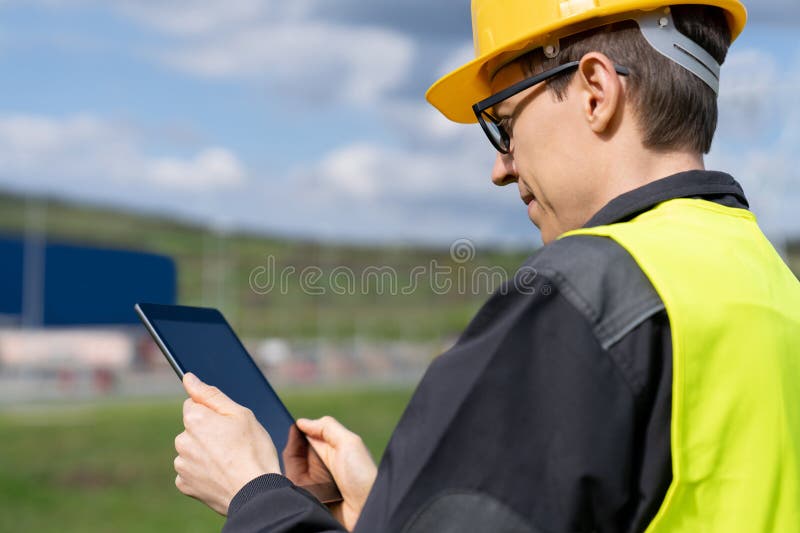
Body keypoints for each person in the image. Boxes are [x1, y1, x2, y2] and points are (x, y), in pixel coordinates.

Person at [172, 1, 800, 531]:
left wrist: (253, 494)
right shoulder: (772, 283)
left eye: (503, 124)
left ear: (595, 91)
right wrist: (388, 511)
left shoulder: (584, 294)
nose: (501, 167)